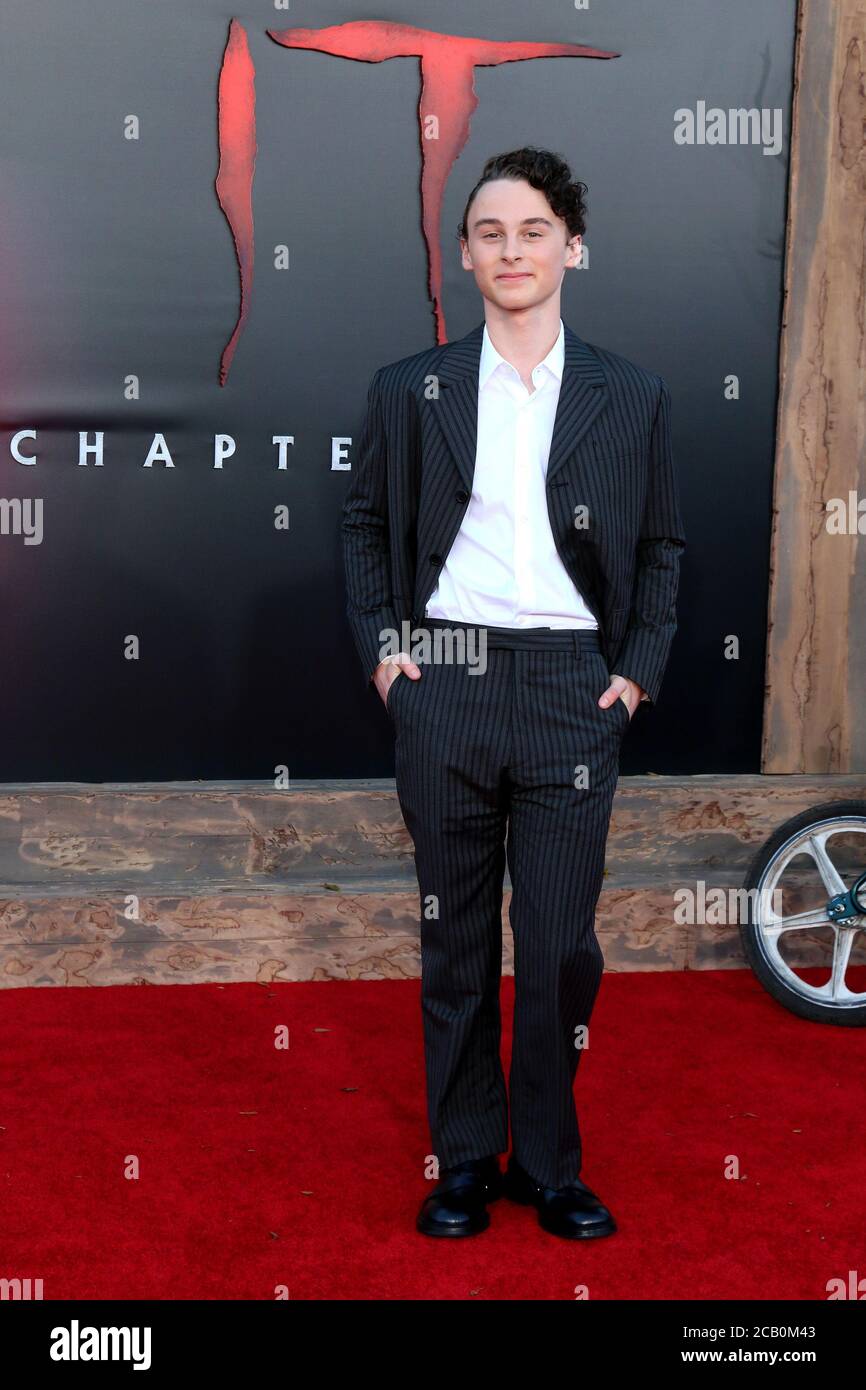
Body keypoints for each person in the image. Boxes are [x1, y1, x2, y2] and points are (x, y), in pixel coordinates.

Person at [341, 147, 686, 1240]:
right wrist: (389, 656)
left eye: (532, 229)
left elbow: (662, 545)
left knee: (554, 949)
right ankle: (463, 1160)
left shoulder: (628, 394)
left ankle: (546, 1162)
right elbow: (361, 527)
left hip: (567, 693)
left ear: (569, 248)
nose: (511, 249)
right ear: (463, 255)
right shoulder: (410, 388)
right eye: (489, 232)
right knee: (452, 945)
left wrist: (634, 671)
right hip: (441, 679)